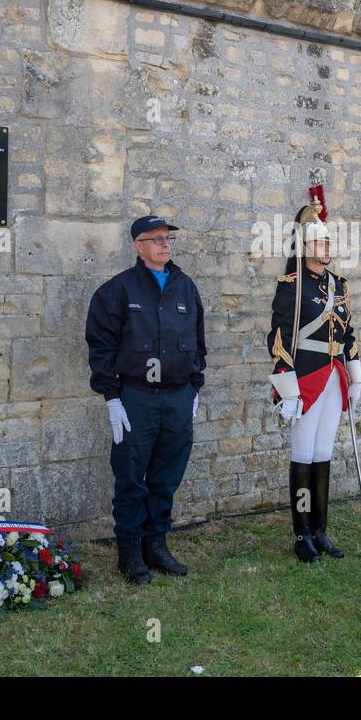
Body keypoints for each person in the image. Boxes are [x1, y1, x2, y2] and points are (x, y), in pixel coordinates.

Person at [85, 215, 206, 584]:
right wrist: (111, 398)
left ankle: (157, 545)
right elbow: (101, 346)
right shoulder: (116, 291)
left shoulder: (185, 288)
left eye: (168, 238)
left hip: (177, 397)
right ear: (139, 246)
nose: (165, 244)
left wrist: (194, 386)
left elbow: (198, 342)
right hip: (136, 398)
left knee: (166, 477)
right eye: (156, 239)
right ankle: (130, 553)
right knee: (131, 478)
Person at [266, 193, 361, 563]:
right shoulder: (291, 284)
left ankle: (321, 530)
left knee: (323, 454)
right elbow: (279, 338)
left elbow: (348, 333)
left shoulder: (339, 284)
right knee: (303, 455)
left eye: (328, 242)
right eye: (320, 242)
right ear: (305, 246)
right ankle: (301, 535)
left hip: (335, 377)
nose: (326, 248)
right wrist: (287, 388)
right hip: (305, 379)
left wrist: (357, 378)